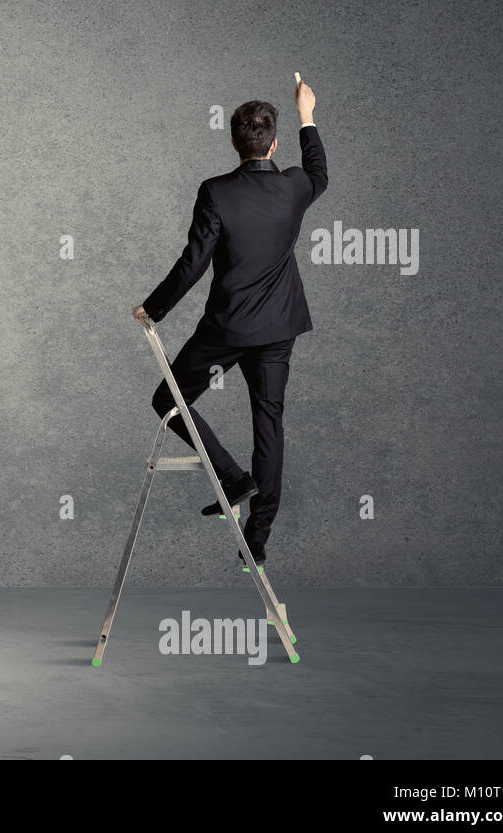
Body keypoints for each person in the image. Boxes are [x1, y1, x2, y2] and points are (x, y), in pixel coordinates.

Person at [132, 73, 326, 567]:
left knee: (167, 399)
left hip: (228, 329)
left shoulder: (215, 192)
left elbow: (192, 263)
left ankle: (231, 475)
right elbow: (318, 170)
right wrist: (307, 114)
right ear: (273, 142)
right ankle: (257, 540)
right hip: (278, 329)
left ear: (233, 142)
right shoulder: (293, 187)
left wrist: (153, 308)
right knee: (270, 424)